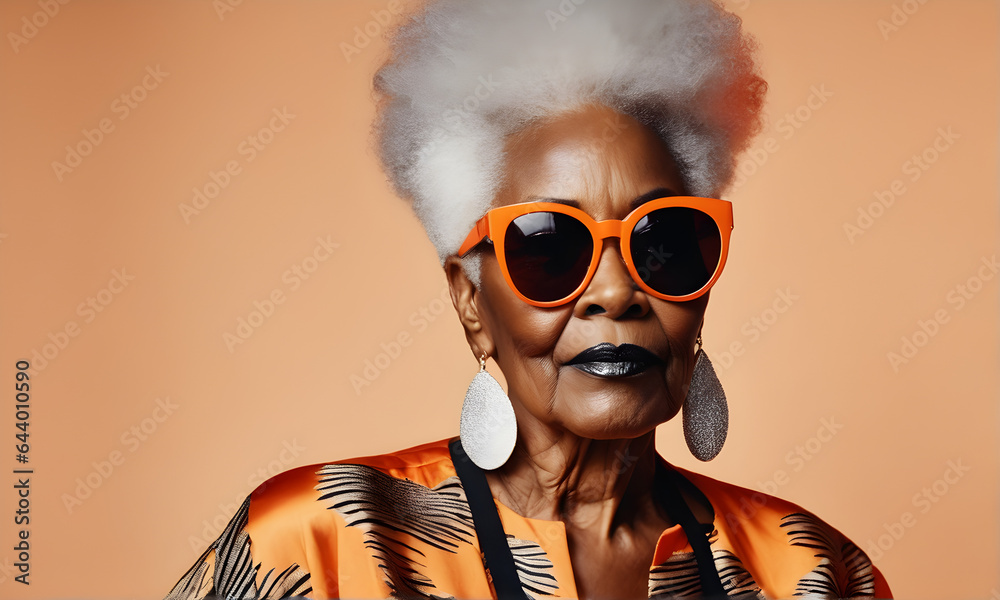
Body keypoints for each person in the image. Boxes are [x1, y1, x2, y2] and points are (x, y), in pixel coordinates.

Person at [163, 1, 892, 598]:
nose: (616, 292)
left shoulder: (814, 575)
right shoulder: (321, 547)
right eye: (550, 246)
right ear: (473, 302)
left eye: (662, 241)